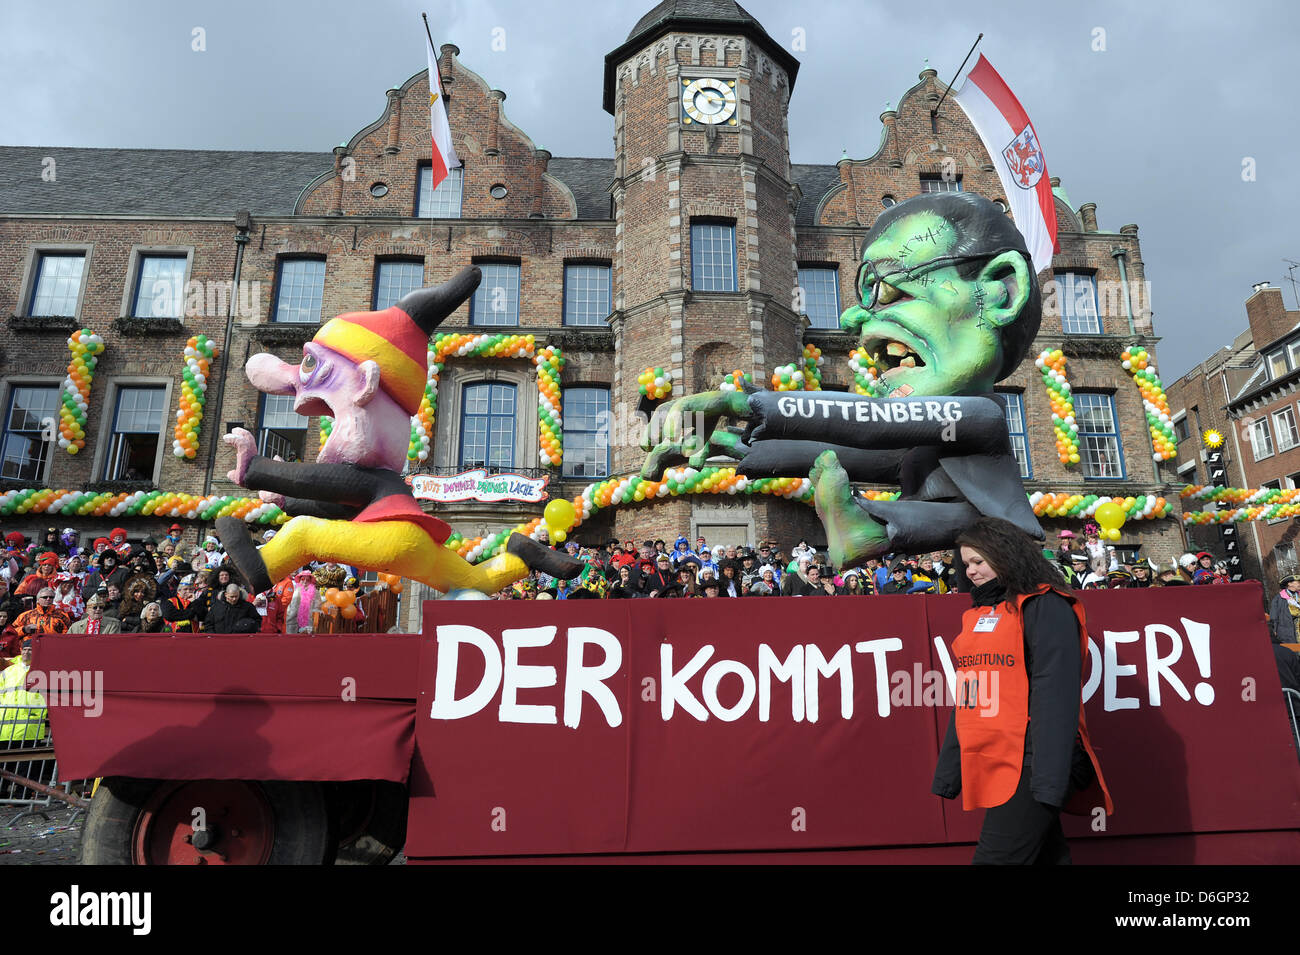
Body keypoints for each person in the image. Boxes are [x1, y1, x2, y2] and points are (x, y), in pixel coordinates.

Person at [932, 517, 1113, 864]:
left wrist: (1047, 778)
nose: (970, 571)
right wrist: (950, 769)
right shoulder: (981, 613)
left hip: (1034, 758)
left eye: (978, 562)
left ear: (1004, 556)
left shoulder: (1045, 606)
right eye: (965, 563)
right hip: (1000, 755)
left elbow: (1055, 694)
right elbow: (969, 694)